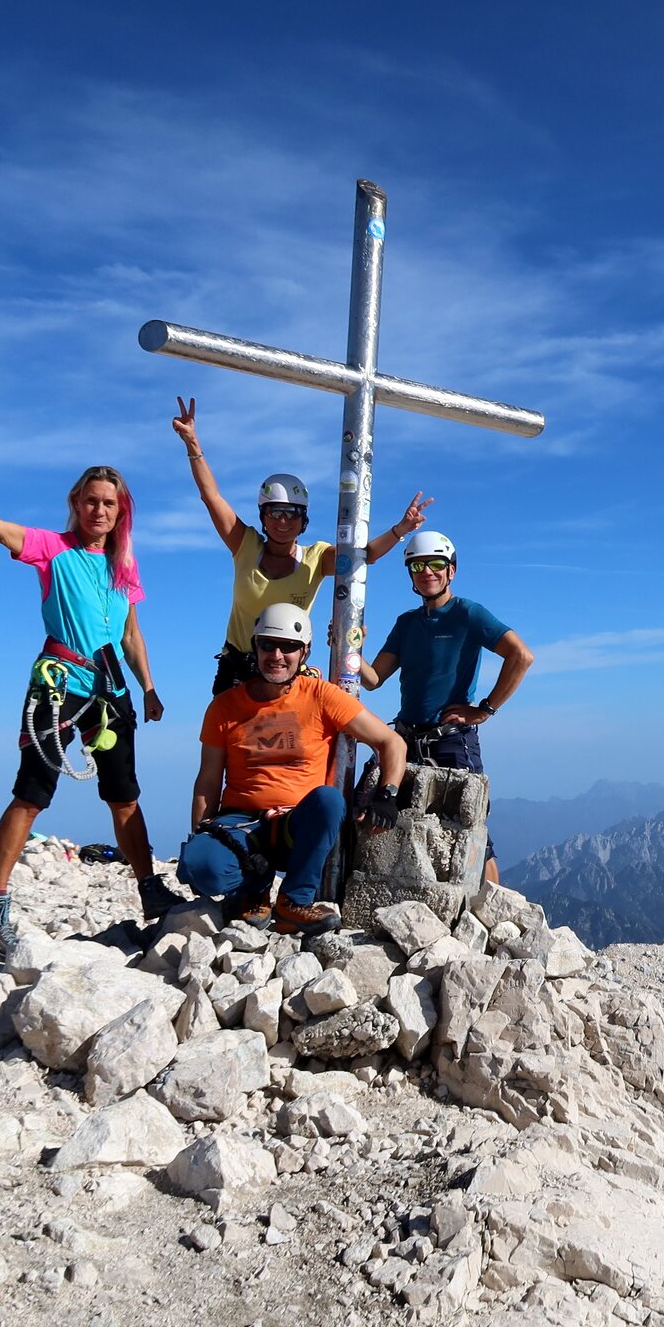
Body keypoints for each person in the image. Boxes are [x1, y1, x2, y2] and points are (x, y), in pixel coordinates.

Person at [0, 432, 170, 958]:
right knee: (33, 792)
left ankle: (149, 888)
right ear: (76, 503)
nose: (99, 509)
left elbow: (131, 634)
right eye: (91, 500)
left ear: (120, 509)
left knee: (124, 794)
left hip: (110, 690)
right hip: (58, 683)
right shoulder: (52, 548)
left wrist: (149, 687)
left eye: (109, 502)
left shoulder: (124, 565)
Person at [171, 395, 432, 694]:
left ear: (303, 520)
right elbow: (211, 497)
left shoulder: (315, 559)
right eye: (275, 513)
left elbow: (365, 556)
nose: (283, 522)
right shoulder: (245, 546)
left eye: (292, 514)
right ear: (263, 517)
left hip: (286, 674)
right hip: (238, 672)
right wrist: (192, 443)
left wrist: (400, 529)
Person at [179, 603, 408, 936]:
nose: (277, 655)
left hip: (295, 824)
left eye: (288, 646)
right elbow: (208, 780)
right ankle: (254, 888)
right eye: (267, 645)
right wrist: (203, 833)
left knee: (329, 801)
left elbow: (391, 742)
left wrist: (387, 794)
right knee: (198, 867)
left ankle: (293, 902)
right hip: (242, 823)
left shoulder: (322, 696)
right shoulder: (225, 706)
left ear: (304, 652)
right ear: (255, 647)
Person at [359, 530, 533, 884]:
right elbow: (373, 679)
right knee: (377, 812)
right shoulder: (406, 624)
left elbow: (521, 656)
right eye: (418, 565)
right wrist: (352, 649)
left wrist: (484, 709)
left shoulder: (468, 613)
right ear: (411, 573)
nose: (427, 572)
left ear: (451, 570)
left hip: (452, 739)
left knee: (471, 830)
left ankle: (489, 914)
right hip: (406, 739)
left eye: (436, 564)